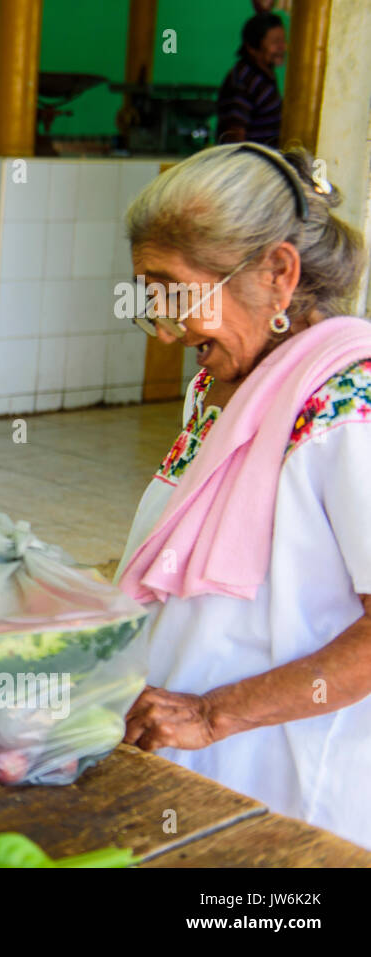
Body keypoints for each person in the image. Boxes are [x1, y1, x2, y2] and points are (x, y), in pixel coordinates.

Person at [115, 143, 371, 849]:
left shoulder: (351, 408)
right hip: (195, 776)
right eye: (150, 297)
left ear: (278, 273)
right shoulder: (225, 383)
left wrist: (211, 714)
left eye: (175, 290)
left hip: (289, 787)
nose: (165, 329)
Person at [216, 12, 286, 146]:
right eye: (275, 42)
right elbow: (234, 136)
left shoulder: (265, 75)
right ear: (252, 48)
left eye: (283, 41)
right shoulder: (243, 80)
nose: (283, 47)